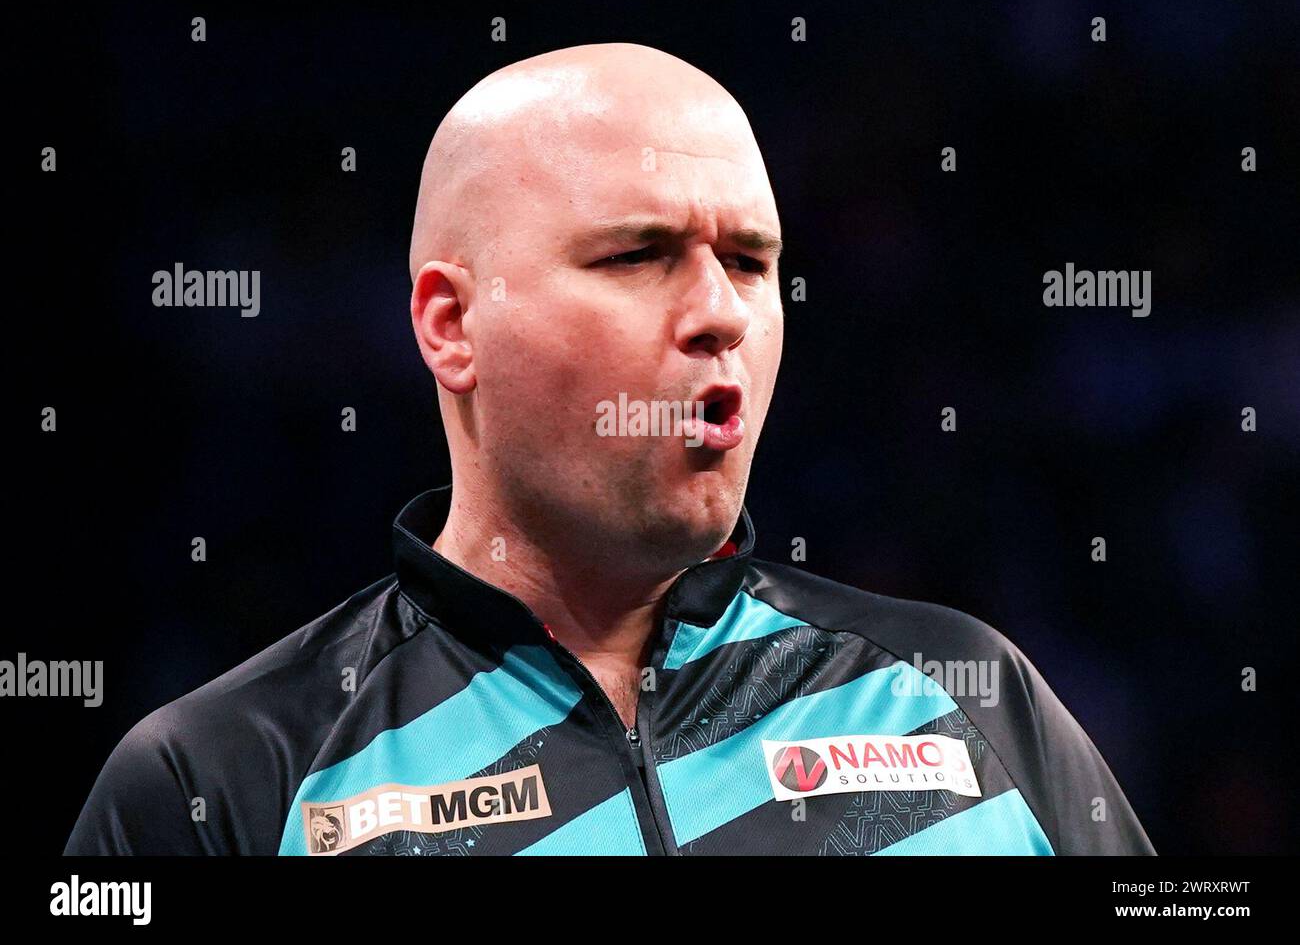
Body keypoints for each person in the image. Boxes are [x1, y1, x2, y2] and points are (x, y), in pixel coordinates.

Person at [65, 42, 1153, 856]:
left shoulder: (963, 699)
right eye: (637, 256)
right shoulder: (224, 778)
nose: (720, 312)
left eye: (750, 260)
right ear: (452, 324)